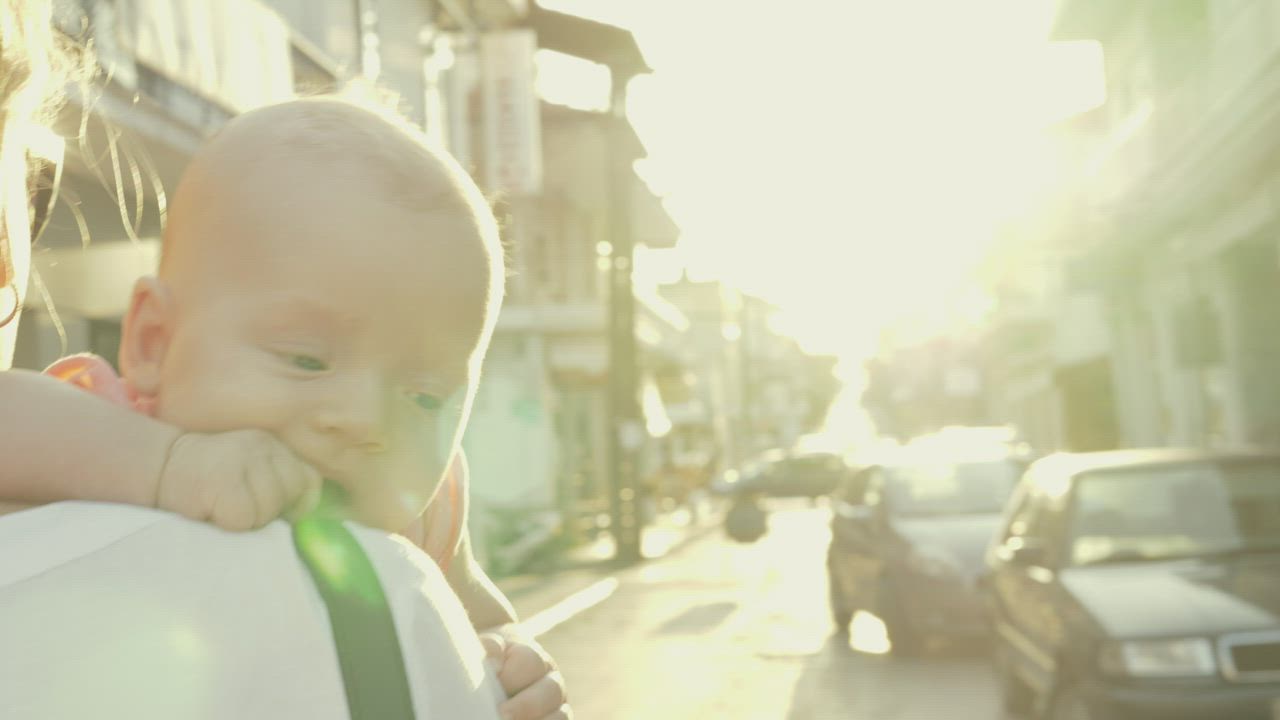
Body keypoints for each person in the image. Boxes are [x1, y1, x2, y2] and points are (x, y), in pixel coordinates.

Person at [0, 4, 566, 719]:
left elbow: (475, 611)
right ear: (151, 344)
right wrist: (166, 464)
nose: (362, 421)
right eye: (305, 360)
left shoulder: (428, 506)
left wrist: (511, 656)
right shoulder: (100, 422)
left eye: (423, 396)